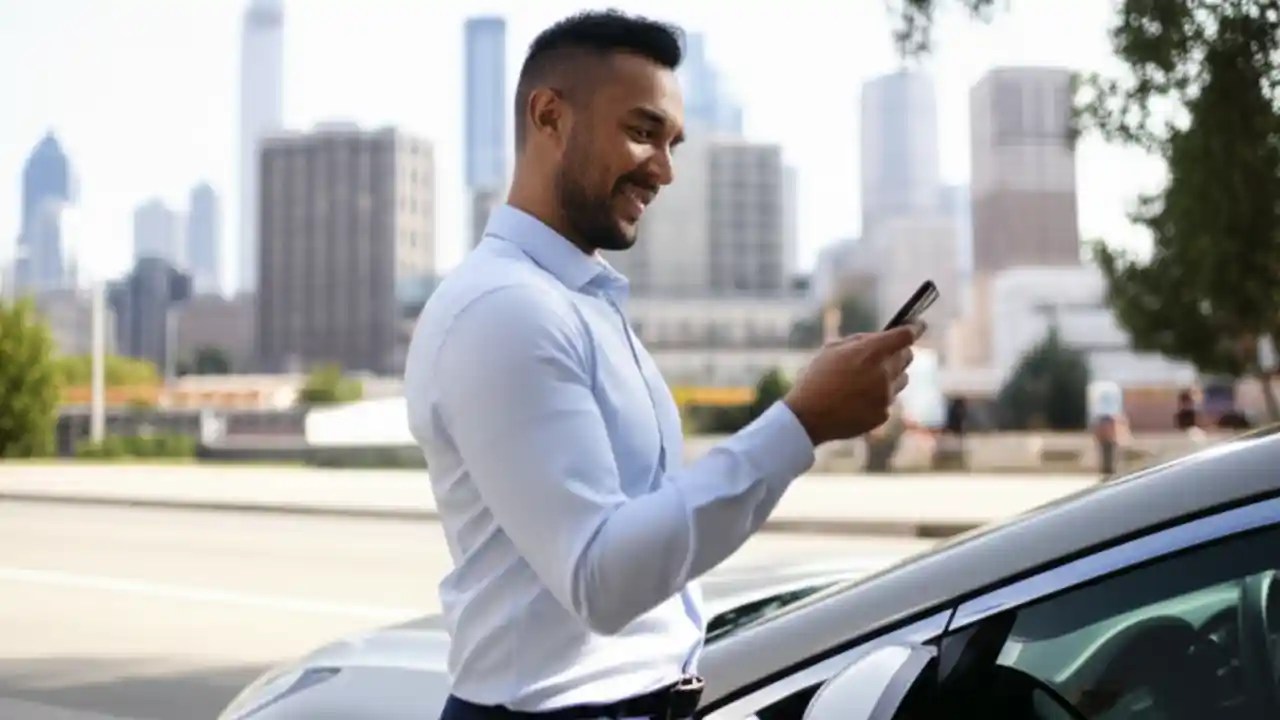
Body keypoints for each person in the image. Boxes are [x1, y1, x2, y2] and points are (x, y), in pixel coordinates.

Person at [403, 11, 922, 719]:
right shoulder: (503, 310)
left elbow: (646, 521)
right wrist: (801, 422)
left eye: (672, 142)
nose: (666, 169)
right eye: (643, 132)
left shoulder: (576, 300)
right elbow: (601, 578)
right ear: (549, 117)